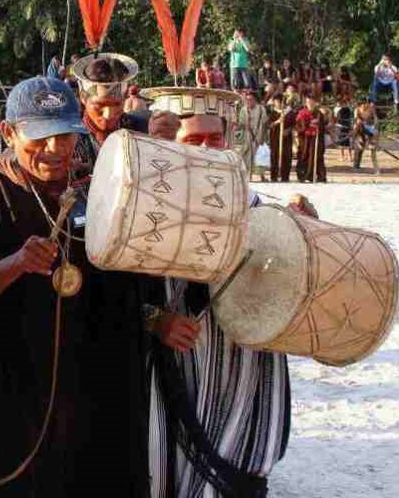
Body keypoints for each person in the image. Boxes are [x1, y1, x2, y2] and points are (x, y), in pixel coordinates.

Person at [0, 76, 150, 496]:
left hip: (87, 383)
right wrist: (15, 264)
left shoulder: (95, 190)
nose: (56, 149)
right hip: (10, 385)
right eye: (40, 137)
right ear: (8, 133)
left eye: (65, 135)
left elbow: (130, 284)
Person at [147, 91, 291, 497]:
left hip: (239, 364)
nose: (207, 149)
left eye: (215, 138)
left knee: (234, 459)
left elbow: (278, 263)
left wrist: (298, 226)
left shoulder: (252, 202)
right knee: (166, 466)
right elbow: (116, 288)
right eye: (194, 140)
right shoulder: (145, 200)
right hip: (172, 357)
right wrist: (156, 320)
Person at [238, 90, 269, 181]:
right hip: (247, 136)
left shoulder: (261, 109)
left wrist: (261, 135)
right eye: (247, 100)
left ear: (255, 100)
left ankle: (261, 175)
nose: (249, 101)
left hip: (259, 134)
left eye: (251, 99)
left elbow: (264, 122)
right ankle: (248, 175)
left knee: (260, 155)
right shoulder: (244, 110)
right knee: (247, 155)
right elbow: (241, 122)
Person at [296, 94, 327, 182]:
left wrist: (318, 125)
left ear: (315, 102)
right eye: (308, 102)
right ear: (306, 103)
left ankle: (318, 176)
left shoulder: (319, 114)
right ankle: (304, 176)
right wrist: (308, 124)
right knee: (304, 155)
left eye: (312, 102)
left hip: (315, 138)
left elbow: (323, 126)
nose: (310, 103)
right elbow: (298, 126)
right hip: (305, 139)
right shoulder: (302, 113)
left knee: (317, 156)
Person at [268, 94, 296, 181]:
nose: (277, 103)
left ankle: (285, 176)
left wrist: (288, 130)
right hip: (275, 137)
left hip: (286, 138)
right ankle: (274, 176)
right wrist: (278, 121)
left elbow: (294, 124)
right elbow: (269, 125)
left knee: (286, 156)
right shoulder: (273, 112)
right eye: (275, 102)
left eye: (278, 102)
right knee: (274, 155)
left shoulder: (289, 112)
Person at [353, 98, 380, 174]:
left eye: (365, 103)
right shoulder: (357, 110)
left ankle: (375, 167)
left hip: (370, 128)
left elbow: (375, 119)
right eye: (362, 104)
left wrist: (374, 127)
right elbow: (356, 120)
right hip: (360, 129)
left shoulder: (371, 109)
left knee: (372, 149)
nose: (364, 105)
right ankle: (356, 165)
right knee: (359, 148)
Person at [334, 94, 354, 162]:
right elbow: (351, 118)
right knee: (347, 140)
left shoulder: (337, 109)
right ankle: (349, 156)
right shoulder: (349, 108)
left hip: (340, 125)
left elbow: (336, 117)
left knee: (341, 140)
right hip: (347, 125)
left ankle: (342, 156)